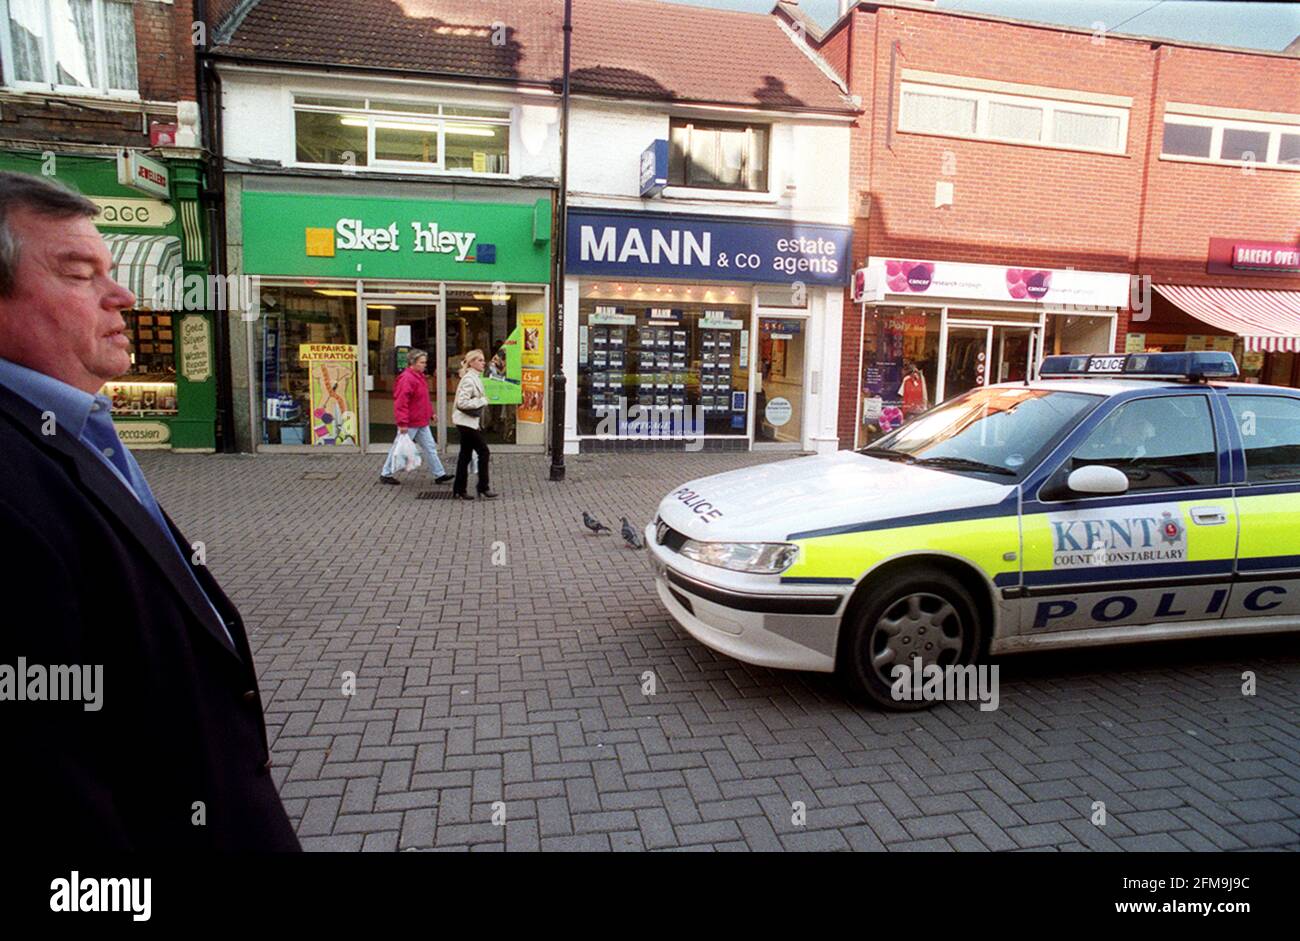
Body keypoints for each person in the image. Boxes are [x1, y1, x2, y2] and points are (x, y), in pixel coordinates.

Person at [0, 171, 300, 849]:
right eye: (80, 273)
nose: (124, 294)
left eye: (111, 267)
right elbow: (44, 791)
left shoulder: (76, 428)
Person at [379, 348, 453, 486]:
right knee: (400, 447)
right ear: (413, 363)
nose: (425, 365)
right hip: (412, 422)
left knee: (429, 447)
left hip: (419, 421)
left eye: (425, 362)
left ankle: (439, 474)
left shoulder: (418, 377)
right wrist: (402, 423)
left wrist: (431, 413)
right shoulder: (407, 379)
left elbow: (423, 399)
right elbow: (401, 402)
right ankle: (386, 473)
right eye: (422, 362)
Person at [452, 348, 497, 500]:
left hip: (468, 422)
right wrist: (482, 401)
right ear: (471, 362)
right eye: (480, 360)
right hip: (465, 423)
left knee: (464, 455)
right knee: (483, 451)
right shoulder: (469, 379)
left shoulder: (474, 377)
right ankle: (483, 486)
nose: (483, 363)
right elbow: (462, 402)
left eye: (483, 360)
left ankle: (459, 489)